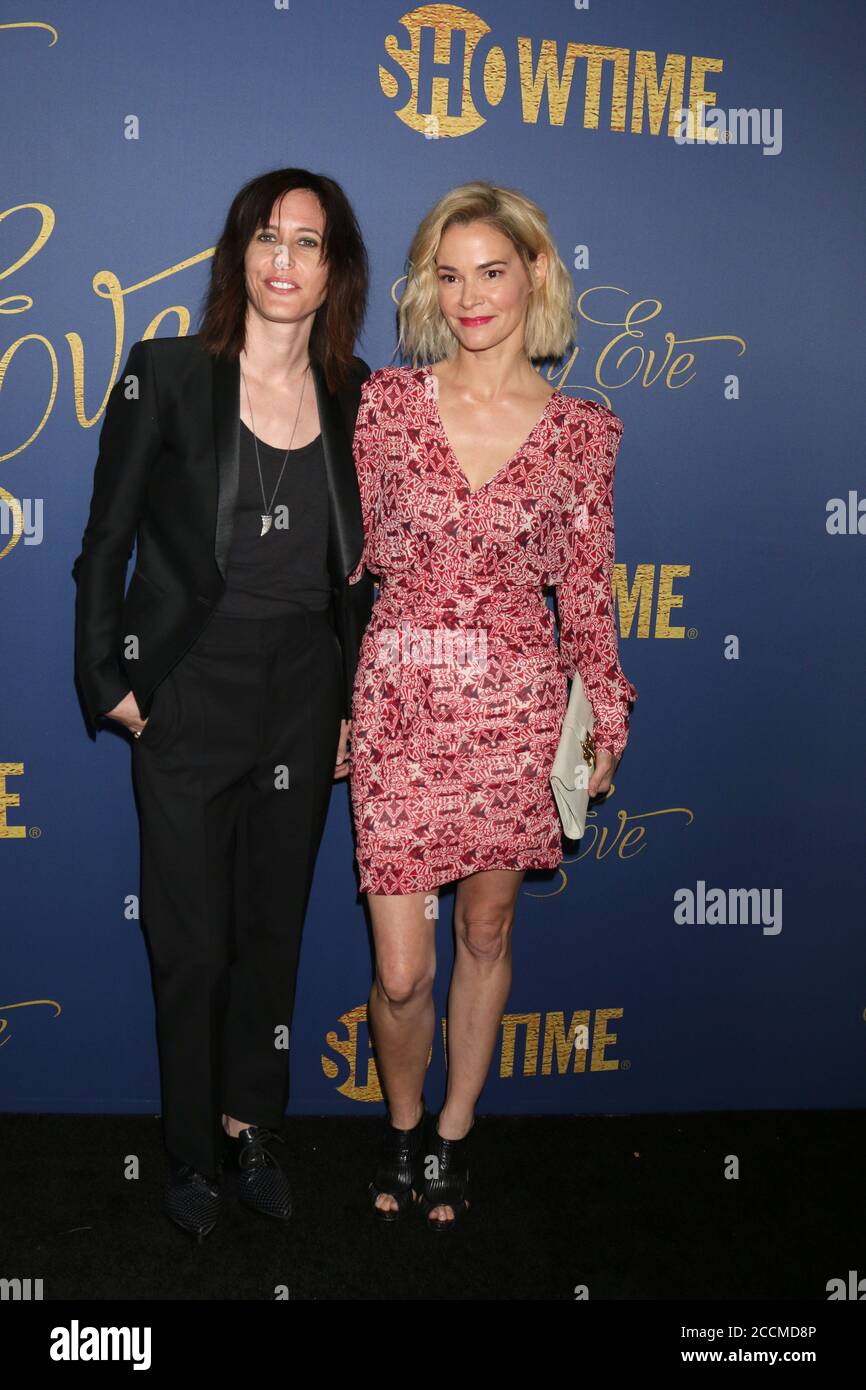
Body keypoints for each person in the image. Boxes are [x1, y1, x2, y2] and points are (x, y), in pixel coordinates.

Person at [72, 168, 375, 1241]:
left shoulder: (357, 393)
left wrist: (349, 701)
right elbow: (105, 539)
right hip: (190, 684)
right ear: (238, 252)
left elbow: (364, 572)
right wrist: (107, 679)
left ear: (334, 268)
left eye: (308, 240)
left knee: (269, 931)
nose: (284, 257)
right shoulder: (165, 373)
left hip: (302, 688)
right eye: (266, 235)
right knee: (190, 941)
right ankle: (191, 1150)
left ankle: (253, 1126)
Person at [346, 181, 637, 1230]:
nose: (471, 296)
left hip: (517, 704)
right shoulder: (382, 405)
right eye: (449, 274)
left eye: (492, 271)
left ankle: (451, 1135)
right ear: (429, 287)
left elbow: (589, 587)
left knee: (486, 924)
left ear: (535, 277)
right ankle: (399, 1119)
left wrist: (604, 703)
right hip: (401, 702)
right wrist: (337, 699)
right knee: (399, 963)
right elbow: (346, 570)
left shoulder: (583, 432)